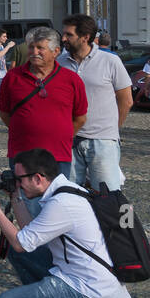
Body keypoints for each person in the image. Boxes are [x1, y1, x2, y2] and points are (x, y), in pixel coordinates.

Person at [0, 148, 130, 298]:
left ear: (38, 178)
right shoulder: (66, 190)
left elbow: (21, 242)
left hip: (89, 290)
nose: (18, 183)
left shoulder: (61, 203)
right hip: (86, 277)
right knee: (17, 252)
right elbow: (30, 235)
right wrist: (15, 197)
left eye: (20, 179)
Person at [55, 15, 132, 190]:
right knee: (68, 195)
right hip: (69, 140)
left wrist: (112, 129)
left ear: (85, 37)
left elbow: (126, 101)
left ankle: (113, 219)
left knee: (108, 197)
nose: (63, 38)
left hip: (102, 141)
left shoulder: (110, 61)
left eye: (69, 34)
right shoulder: (59, 63)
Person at [0, 26, 87, 179]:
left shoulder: (71, 80)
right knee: (25, 201)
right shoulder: (13, 77)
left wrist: (62, 134)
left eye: (40, 48)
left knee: (57, 199)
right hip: (22, 153)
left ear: (56, 51)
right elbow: (5, 113)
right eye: (31, 47)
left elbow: (80, 117)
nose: (34, 52)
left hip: (58, 156)